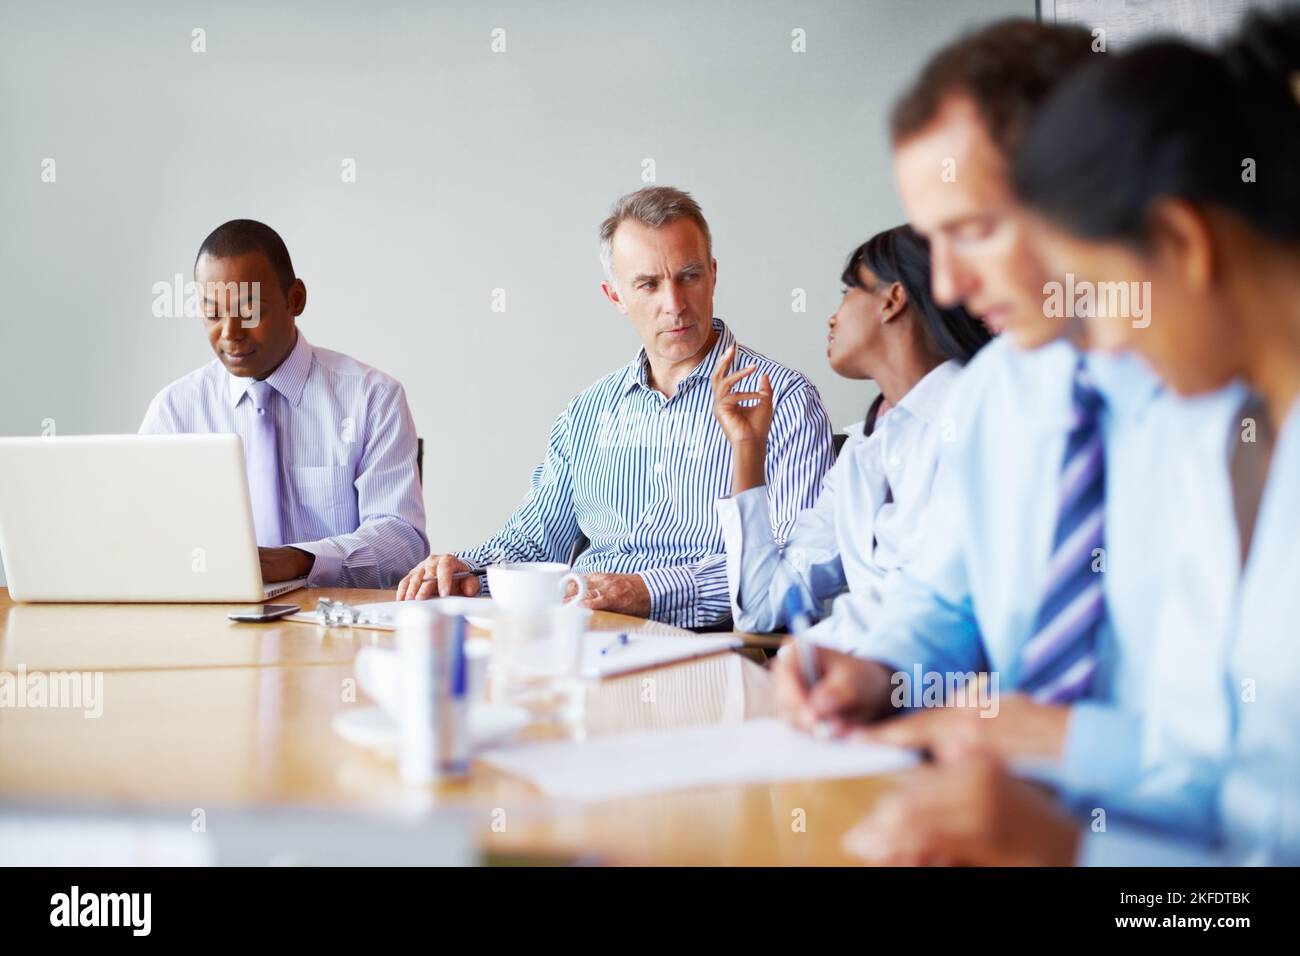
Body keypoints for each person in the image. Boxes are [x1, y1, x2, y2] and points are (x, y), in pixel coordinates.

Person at [842, 8, 1300, 866]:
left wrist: (1071, 843)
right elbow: (1220, 776)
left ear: (1175, 239)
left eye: (977, 229)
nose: (1111, 338)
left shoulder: (1219, 419)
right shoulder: (1232, 435)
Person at [771, 18, 1219, 808]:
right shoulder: (1000, 392)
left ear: (1091, 192)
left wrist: (1040, 738)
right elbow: (947, 598)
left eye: (973, 231)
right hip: (997, 814)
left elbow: (1258, 761)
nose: (945, 286)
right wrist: (877, 672)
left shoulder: (1230, 407)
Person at [396, 186, 835, 628]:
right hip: (584, 637)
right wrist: (463, 569)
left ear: (713, 275)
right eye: (648, 284)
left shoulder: (786, 400)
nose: (675, 305)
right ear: (615, 296)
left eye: (689, 276)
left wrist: (645, 591)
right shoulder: (586, 412)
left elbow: (787, 565)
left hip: (710, 647)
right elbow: (532, 545)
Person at [711, 224, 990, 649]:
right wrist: (749, 448)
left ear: (892, 299)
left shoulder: (978, 422)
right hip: (867, 686)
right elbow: (765, 606)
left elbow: (928, 605)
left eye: (847, 291)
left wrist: (820, 653)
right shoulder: (863, 447)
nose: (833, 315)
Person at [140, 219, 428, 587]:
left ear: (295, 300)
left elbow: (403, 542)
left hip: (335, 630)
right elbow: (144, 536)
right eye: (213, 314)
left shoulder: (372, 399)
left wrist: (299, 561)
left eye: (249, 311)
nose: (229, 333)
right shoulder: (174, 412)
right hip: (212, 628)